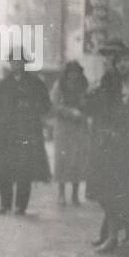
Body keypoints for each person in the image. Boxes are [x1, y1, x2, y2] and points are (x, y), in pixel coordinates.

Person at [85, 40, 129, 252]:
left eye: (126, 60)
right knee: (111, 191)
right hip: (114, 148)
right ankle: (111, 237)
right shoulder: (112, 85)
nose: (122, 65)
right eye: (118, 61)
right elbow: (103, 111)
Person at [0, 58, 51, 215]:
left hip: (27, 131)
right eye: (13, 61)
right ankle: (5, 204)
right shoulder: (4, 84)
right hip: (7, 132)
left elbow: (46, 105)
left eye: (19, 61)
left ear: (25, 63)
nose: (16, 64)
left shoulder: (35, 83)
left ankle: (20, 205)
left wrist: (32, 108)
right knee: (4, 168)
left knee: (25, 168)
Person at [50, 61, 89, 205]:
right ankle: (61, 193)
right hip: (63, 127)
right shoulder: (59, 85)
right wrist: (68, 112)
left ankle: (75, 194)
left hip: (79, 127)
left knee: (77, 160)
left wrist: (83, 111)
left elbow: (88, 102)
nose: (74, 75)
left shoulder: (84, 85)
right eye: (71, 72)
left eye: (76, 72)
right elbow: (53, 105)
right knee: (62, 159)